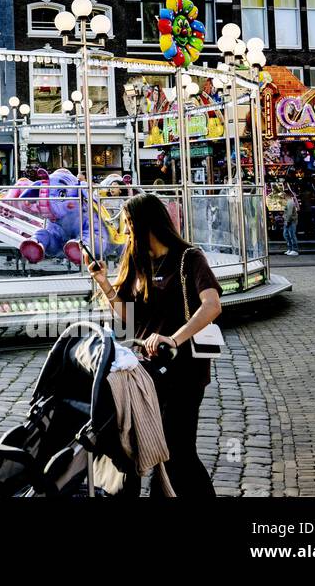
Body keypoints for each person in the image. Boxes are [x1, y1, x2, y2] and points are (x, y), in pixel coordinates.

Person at [88, 192, 222, 497]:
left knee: (178, 451)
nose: (125, 232)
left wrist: (173, 339)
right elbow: (129, 318)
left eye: (128, 225)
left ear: (145, 223)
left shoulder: (189, 258)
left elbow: (212, 305)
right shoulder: (138, 261)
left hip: (184, 371)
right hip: (146, 373)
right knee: (144, 449)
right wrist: (103, 283)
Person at [282, 189, 300, 256]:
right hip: (289, 221)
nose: (283, 196)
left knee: (291, 235)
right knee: (286, 235)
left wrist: (287, 221)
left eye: (283, 194)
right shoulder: (289, 202)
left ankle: (294, 250)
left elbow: (289, 213)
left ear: (286, 195)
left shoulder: (290, 202)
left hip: (291, 221)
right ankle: (290, 249)